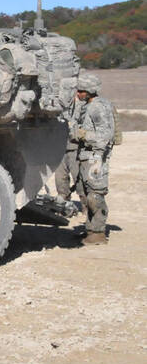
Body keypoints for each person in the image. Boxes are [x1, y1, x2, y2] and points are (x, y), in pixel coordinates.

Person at [68, 73, 115, 245]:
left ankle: (98, 233)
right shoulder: (86, 106)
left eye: (81, 91)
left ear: (89, 91)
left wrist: (83, 135)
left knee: (95, 195)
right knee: (85, 194)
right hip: (85, 155)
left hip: (96, 157)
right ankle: (90, 229)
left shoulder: (98, 108)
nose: (78, 94)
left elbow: (105, 136)